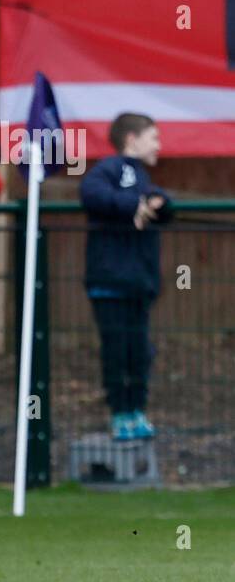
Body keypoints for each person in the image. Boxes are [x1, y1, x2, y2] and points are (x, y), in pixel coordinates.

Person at [80, 113, 171, 441]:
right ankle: (120, 414)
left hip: (139, 285)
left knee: (140, 351)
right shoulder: (112, 169)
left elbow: (164, 205)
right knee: (116, 351)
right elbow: (90, 193)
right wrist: (134, 204)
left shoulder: (144, 178)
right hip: (110, 285)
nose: (159, 145)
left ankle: (137, 411)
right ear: (131, 139)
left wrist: (157, 204)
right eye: (154, 137)